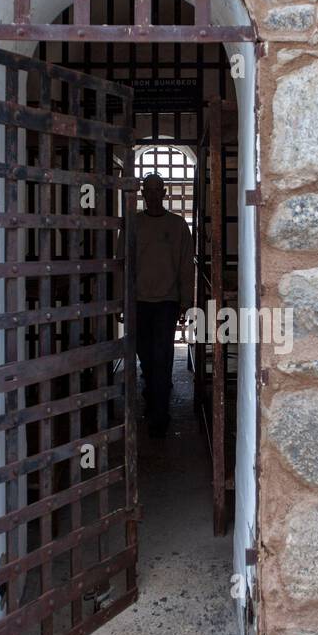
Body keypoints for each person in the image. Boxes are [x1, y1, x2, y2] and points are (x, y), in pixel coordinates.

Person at [121, 172, 193, 438]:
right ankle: (153, 391)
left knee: (162, 356)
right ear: (143, 194)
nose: (152, 194)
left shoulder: (177, 226)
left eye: (157, 190)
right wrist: (122, 300)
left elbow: (186, 264)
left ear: (164, 193)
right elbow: (123, 262)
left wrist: (186, 301)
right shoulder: (133, 224)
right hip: (139, 300)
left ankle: (159, 414)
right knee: (145, 354)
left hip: (166, 301)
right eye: (148, 190)